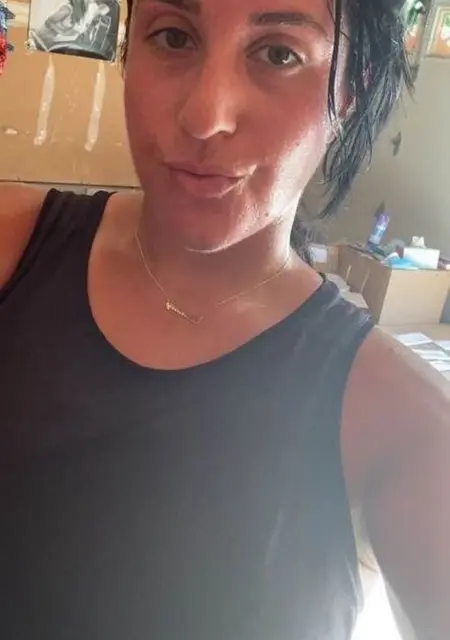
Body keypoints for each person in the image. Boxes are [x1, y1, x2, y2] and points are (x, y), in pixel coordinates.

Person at [1, 0, 449, 638]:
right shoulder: (12, 250)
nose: (205, 115)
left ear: (351, 91)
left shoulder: (402, 421)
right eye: (174, 37)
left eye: (279, 54)